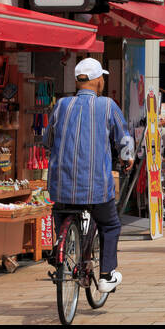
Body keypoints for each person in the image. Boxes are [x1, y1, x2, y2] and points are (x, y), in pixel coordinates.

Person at [45, 58, 134, 293]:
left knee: (62, 212)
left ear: (77, 81)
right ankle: (106, 275)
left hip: (61, 184)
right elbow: (124, 139)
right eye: (102, 78)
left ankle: (59, 245)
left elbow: (47, 140)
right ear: (97, 80)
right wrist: (127, 158)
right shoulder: (107, 105)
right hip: (96, 187)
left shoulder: (61, 105)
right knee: (110, 224)